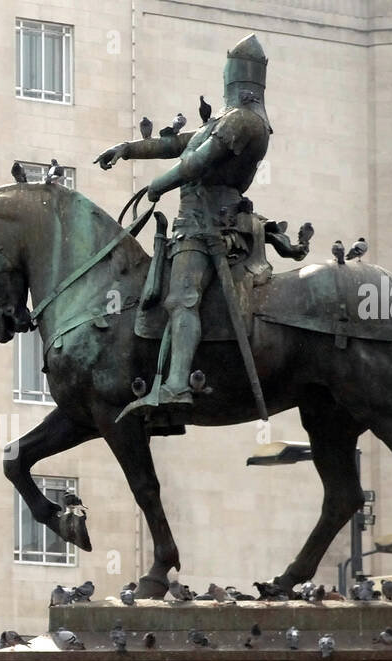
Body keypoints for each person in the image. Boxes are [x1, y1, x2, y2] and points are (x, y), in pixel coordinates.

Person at [95, 34, 272, 423]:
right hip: (192, 223)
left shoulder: (245, 122)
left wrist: (158, 185)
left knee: (182, 298)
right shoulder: (226, 120)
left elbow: (196, 164)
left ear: (236, 78)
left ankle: (176, 384)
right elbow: (175, 145)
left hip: (211, 226)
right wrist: (126, 149)